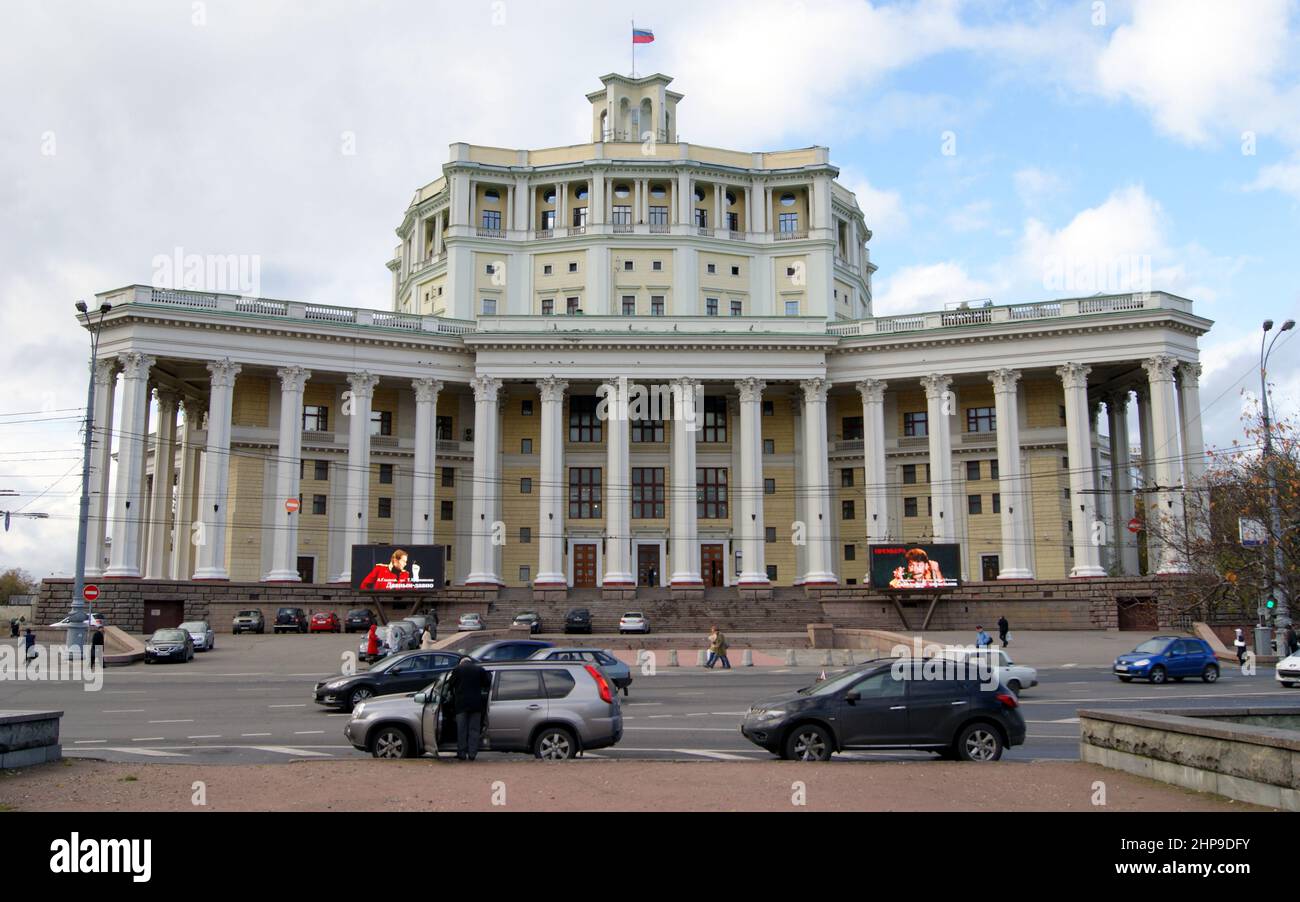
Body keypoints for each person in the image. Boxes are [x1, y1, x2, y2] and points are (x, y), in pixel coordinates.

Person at [447, 656, 493, 761]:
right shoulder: (479, 669)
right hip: (476, 705)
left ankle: (462, 754)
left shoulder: (457, 670)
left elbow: (450, 684)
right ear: (470, 661)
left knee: (462, 730)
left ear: (461, 662)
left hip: (461, 705)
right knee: (474, 730)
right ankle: (472, 754)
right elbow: (487, 683)